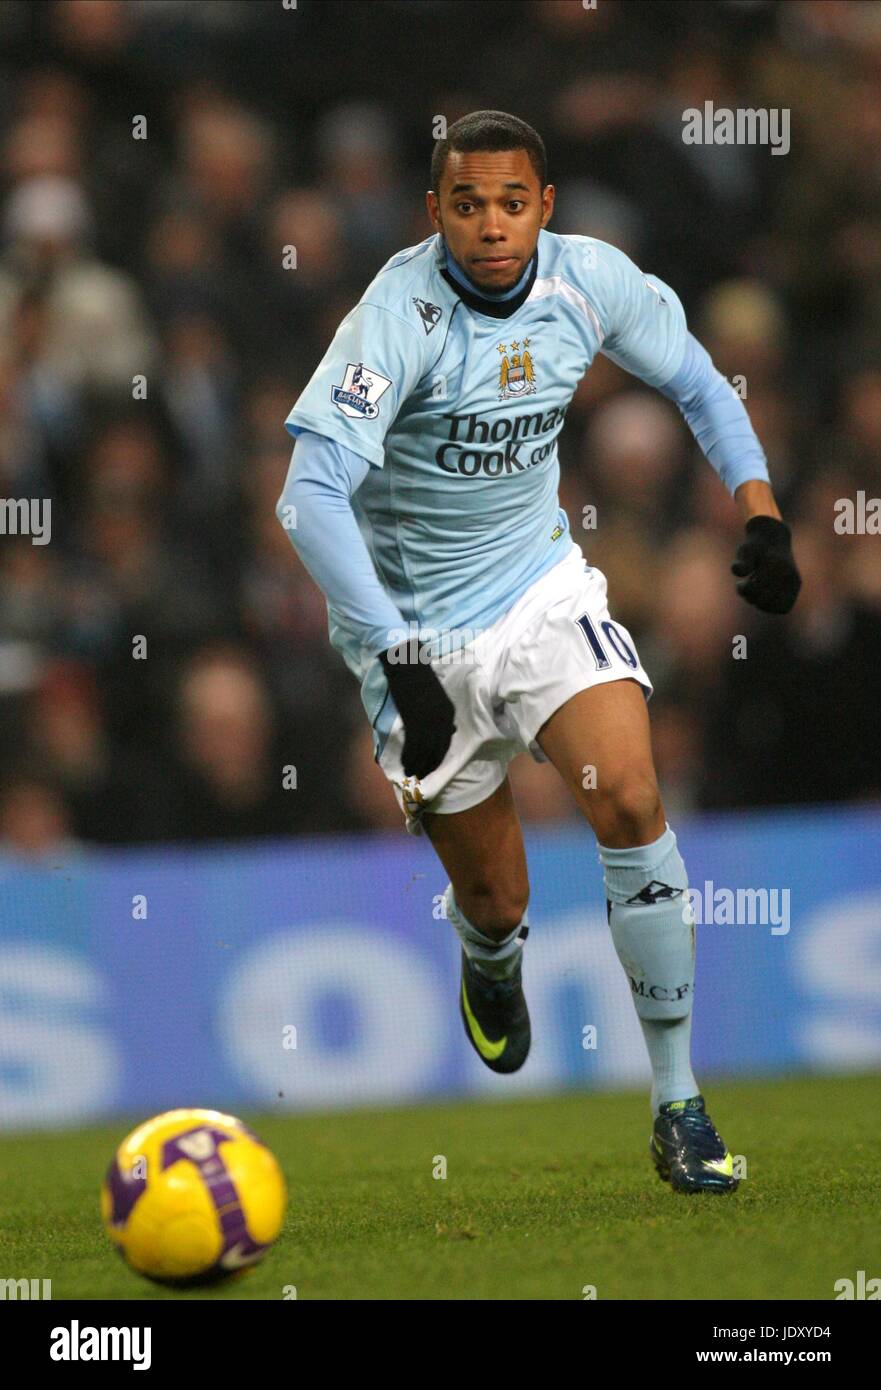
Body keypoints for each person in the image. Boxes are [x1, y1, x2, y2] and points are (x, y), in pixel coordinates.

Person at [276, 111, 801, 1194]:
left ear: (543, 206)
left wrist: (757, 511)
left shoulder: (587, 281)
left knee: (629, 797)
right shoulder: (397, 315)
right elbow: (308, 495)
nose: (490, 224)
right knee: (499, 897)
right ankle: (488, 960)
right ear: (435, 213)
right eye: (466, 205)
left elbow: (700, 381)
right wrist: (392, 649)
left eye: (511, 202)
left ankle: (676, 1101)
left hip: (539, 595)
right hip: (413, 628)